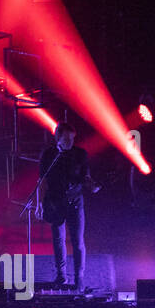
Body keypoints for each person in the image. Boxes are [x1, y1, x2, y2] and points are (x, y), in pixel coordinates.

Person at [36, 122, 98, 290]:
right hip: (55, 202)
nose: (70, 141)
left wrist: (91, 185)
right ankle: (61, 275)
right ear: (58, 138)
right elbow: (42, 181)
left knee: (77, 241)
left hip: (75, 202)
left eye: (72, 138)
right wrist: (39, 203)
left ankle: (79, 276)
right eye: (66, 138)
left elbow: (86, 176)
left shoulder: (80, 154)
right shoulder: (49, 154)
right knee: (58, 240)